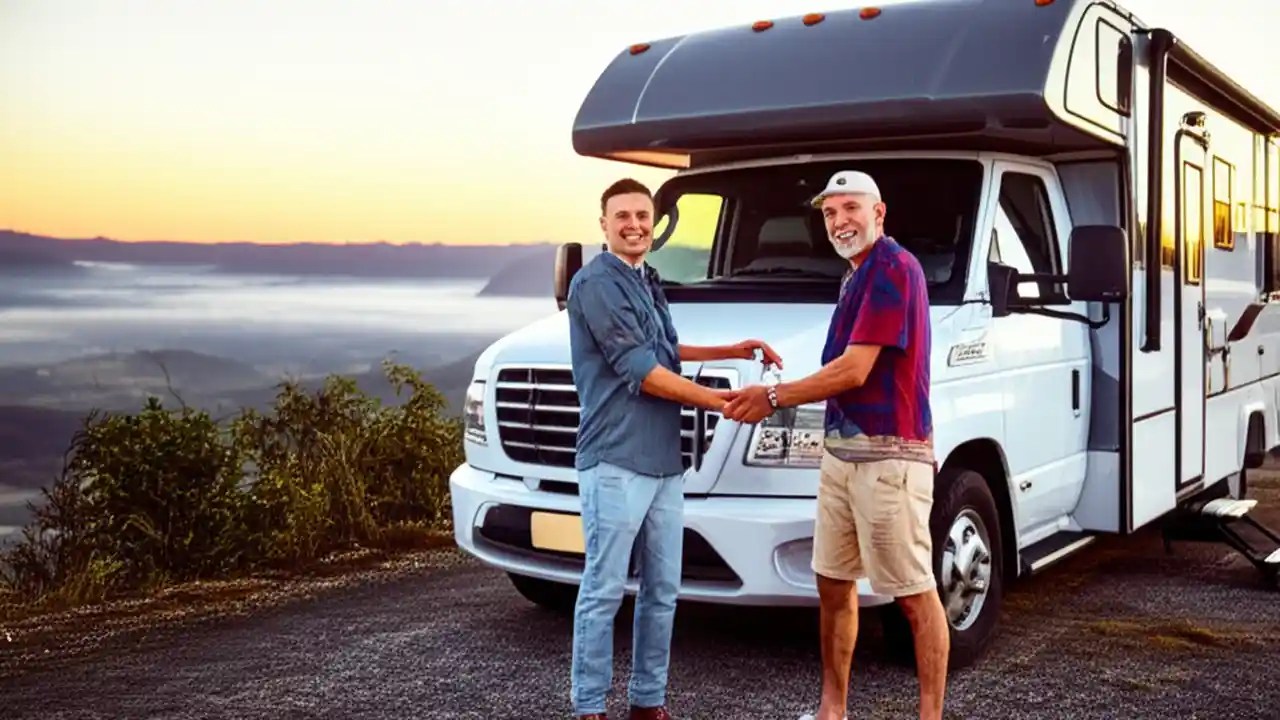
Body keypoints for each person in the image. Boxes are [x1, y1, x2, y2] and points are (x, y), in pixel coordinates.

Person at [722, 170, 948, 720]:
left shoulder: (893, 267)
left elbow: (853, 370)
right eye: (830, 213)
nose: (840, 221)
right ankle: (832, 711)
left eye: (851, 208)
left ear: (879, 213)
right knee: (833, 582)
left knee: (914, 592)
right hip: (843, 456)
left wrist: (772, 396)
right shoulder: (856, 276)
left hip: (890, 458)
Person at [567, 178, 783, 720]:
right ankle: (589, 707)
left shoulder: (645, 278)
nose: (634, 225)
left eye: (643, 216)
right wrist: (722, 401)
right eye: (623, 216)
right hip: (615, 459)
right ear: (603, 224)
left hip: (665, 463)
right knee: (604, 589)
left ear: (653, 224)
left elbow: (664, 349)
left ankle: (648, 702)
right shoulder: (596, 283)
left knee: (662, 590)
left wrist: (733, 350)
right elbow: (641, 370)